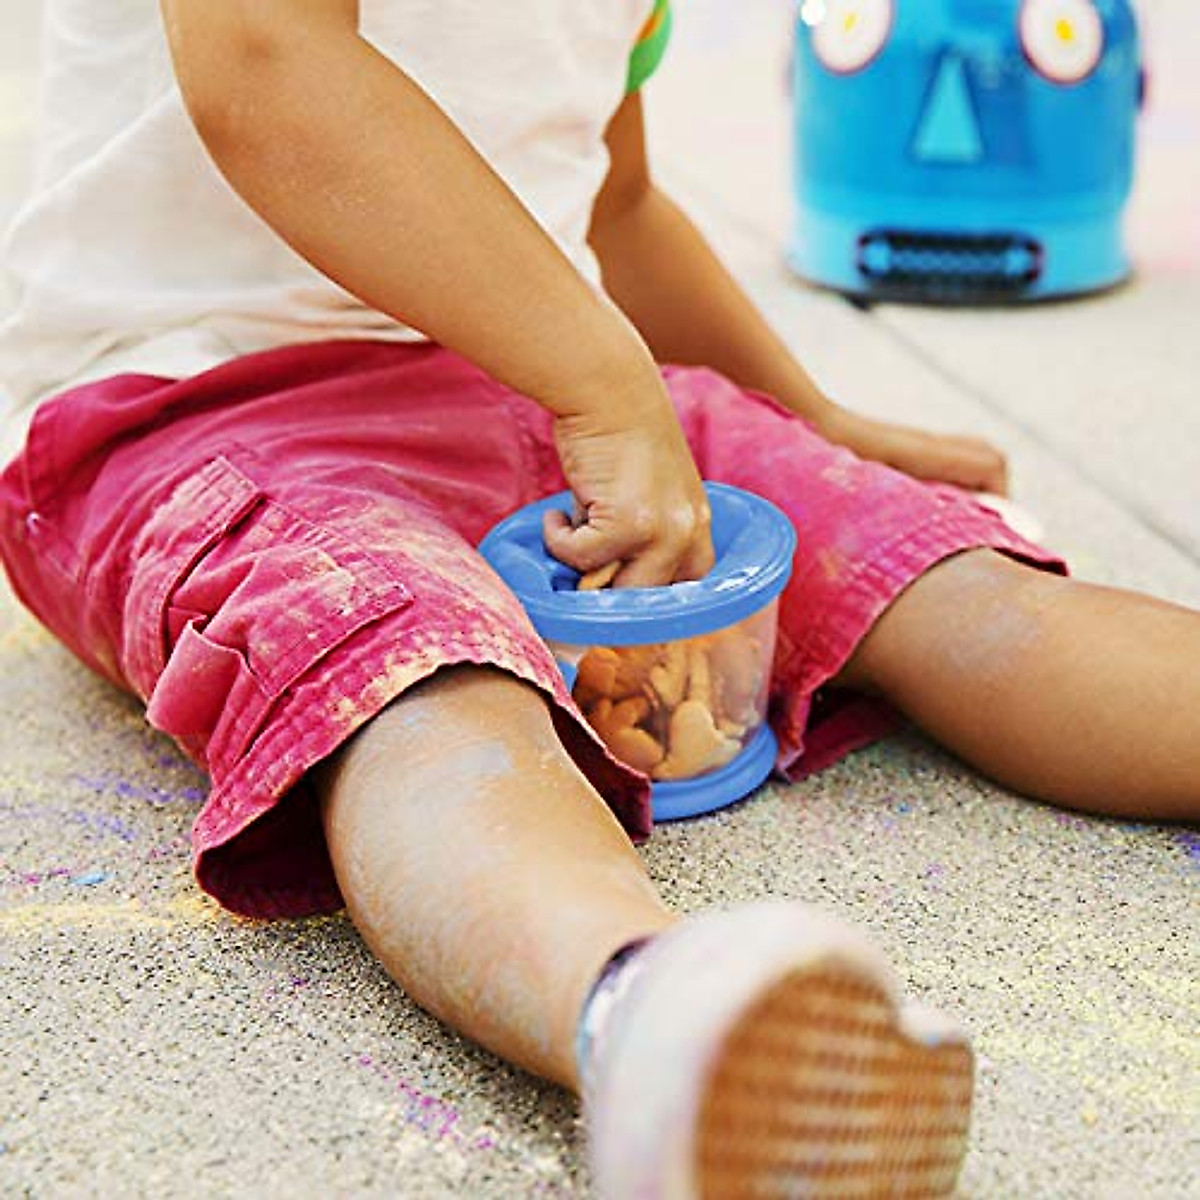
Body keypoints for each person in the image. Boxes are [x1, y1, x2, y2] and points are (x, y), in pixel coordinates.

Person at [1, 1, 1196, 1194]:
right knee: (427, 697)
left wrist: (811, 424)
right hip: (212, 408)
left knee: (955, 588)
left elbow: (612, 206)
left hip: (549, 384)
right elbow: (265, 62)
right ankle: (659, 1016)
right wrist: (603, 385)